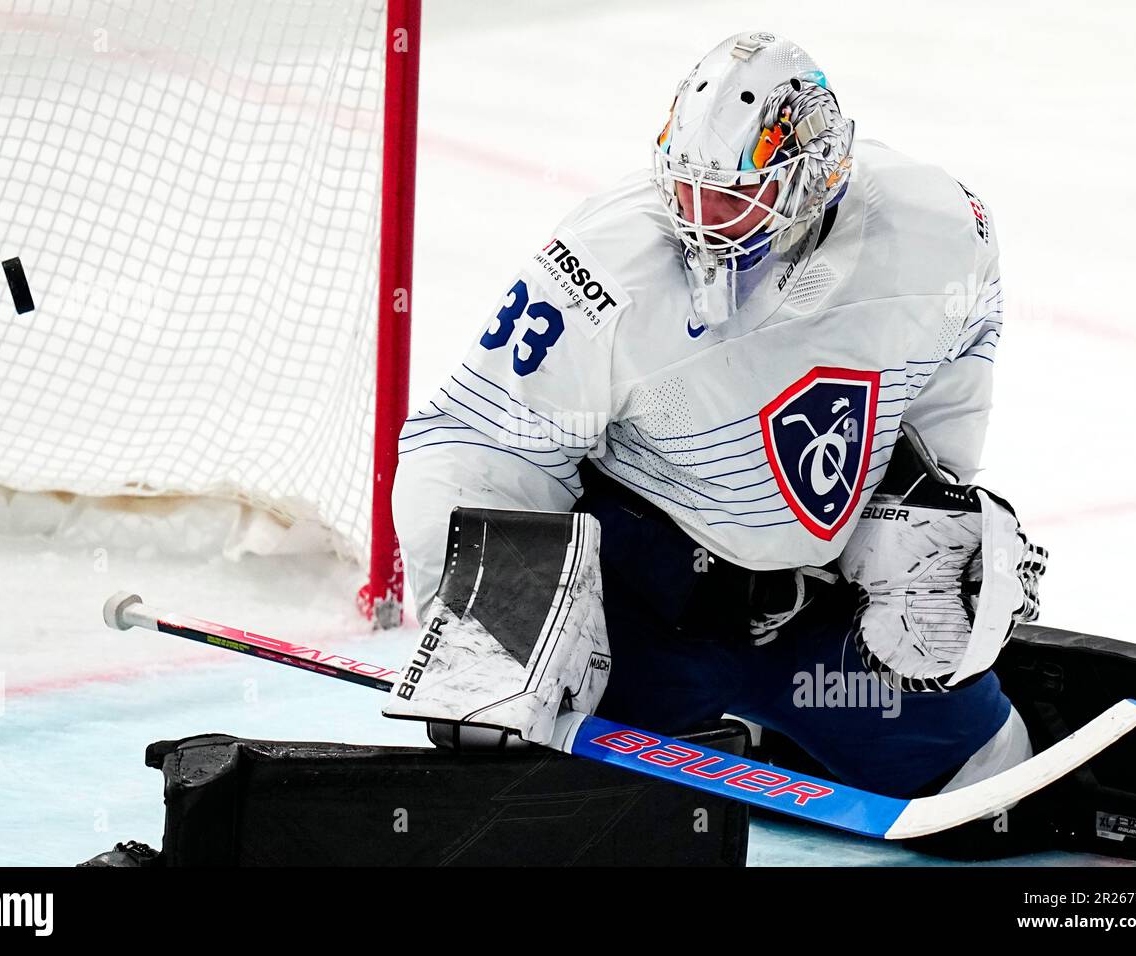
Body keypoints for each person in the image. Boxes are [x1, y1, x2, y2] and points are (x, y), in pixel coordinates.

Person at [388, 31, 1045, 799]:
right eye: (687, 186)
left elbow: (961, 350)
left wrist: (931, 507)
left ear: (813, 179)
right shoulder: (605, 264)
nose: (699, 217)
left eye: (731, 195)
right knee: (544, 818)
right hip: (638, 618)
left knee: (990, 783)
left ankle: (778, 725)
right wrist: (489, 634)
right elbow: (474, 439)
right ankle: (689, 714)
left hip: (808, 615)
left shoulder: (938, 225)